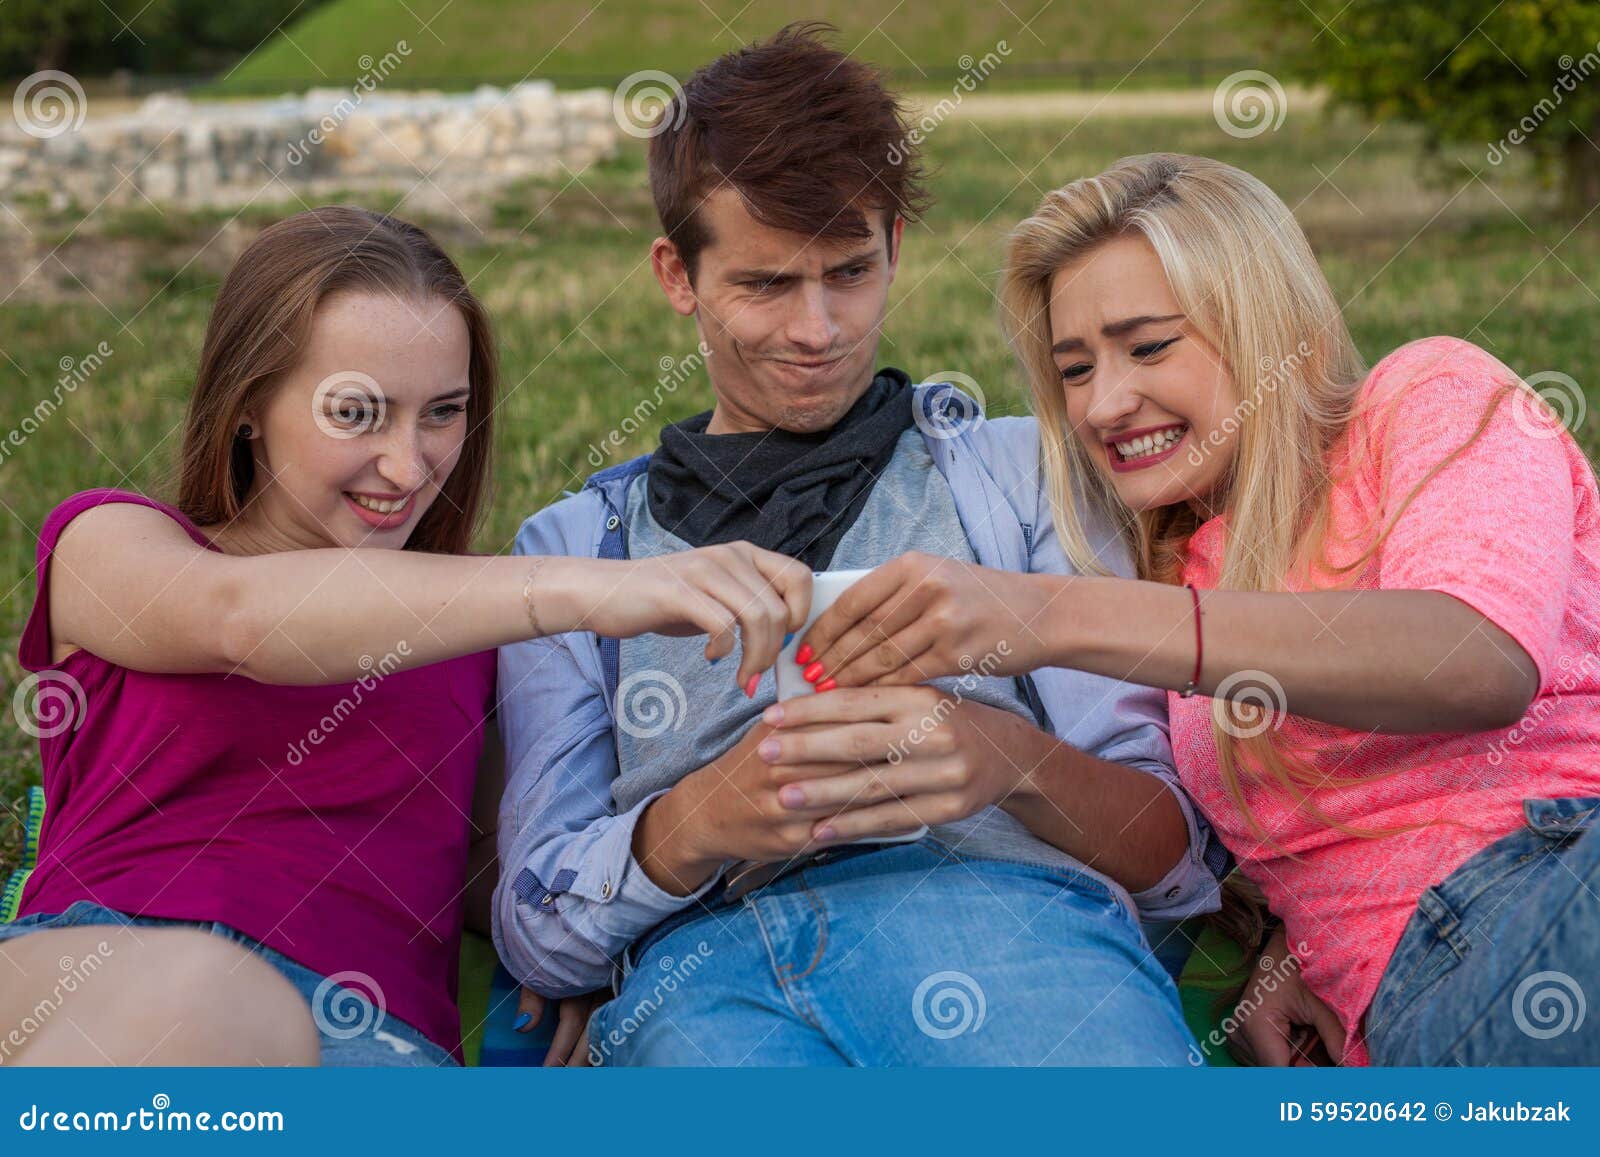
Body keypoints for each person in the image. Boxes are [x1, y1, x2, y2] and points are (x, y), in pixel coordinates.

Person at [493, 26, 1221, 1067]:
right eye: (764, 285)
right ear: (676, 275)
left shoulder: (1017, 476)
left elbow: (1174, 859)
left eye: (849, 271)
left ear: (895, 252)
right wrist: (697, 818)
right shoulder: (575, 547)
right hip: (707, 976)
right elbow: (534, 923)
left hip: (1004, 920)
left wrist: (1001, 757)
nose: (818, 327)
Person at [797, 152, 1600, 1065]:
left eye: (1148, 347)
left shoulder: (1422, 397)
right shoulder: (1168, 572)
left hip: (1563, 859)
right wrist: (1277, 941)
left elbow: (1473, 656)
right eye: (1073, 368)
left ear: (1259, 327)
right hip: (1439, 981)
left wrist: (1052, 613)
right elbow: (1219, 847)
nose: (1104, 402)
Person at [0, 206, 808, 1066]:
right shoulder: (111, 543)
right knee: (200, 997)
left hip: (374, 1052)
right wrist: (594, 586)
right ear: (247, 406)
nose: (409, 464)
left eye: (443, 412)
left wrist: (590, 953)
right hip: (109, 976)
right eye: (357, 412)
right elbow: (233, 616)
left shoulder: (476, 644)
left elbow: (508, 873)